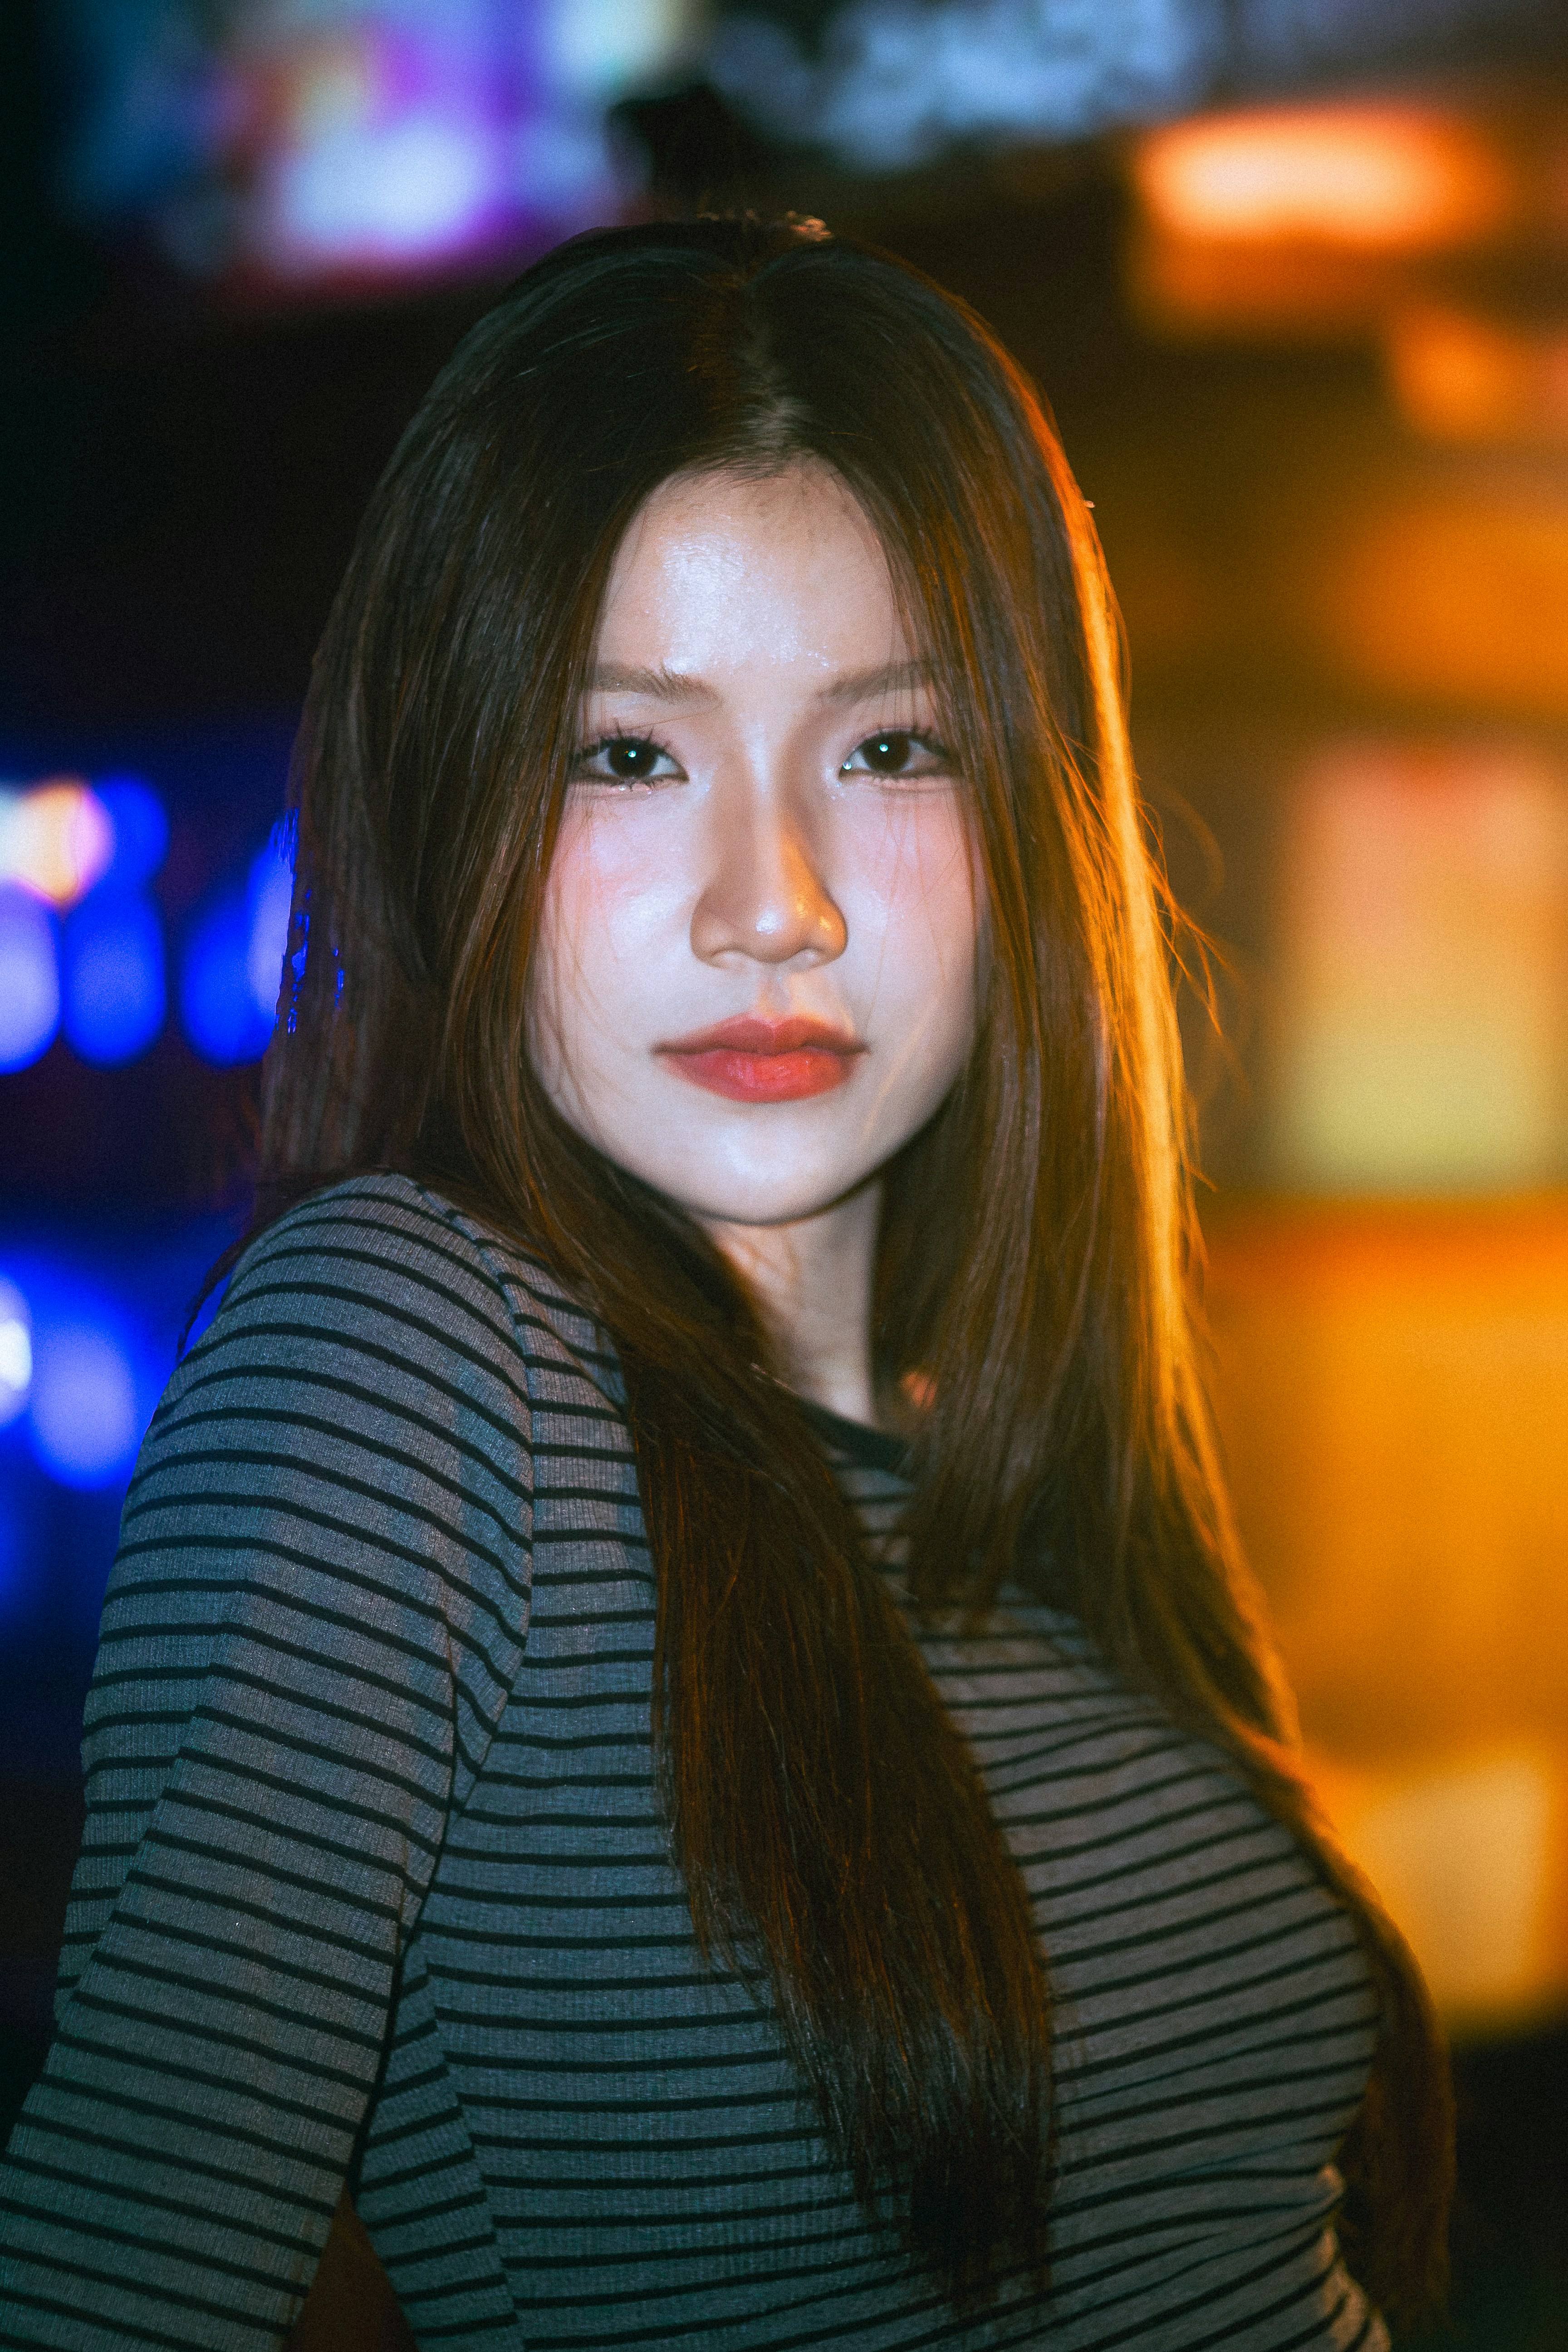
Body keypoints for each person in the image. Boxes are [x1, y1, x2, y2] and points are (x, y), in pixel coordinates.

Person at [0, 215, 1450, 2352]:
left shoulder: (1036, 1483)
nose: (770, 905)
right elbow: (123, 2283)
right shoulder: (417, 1360)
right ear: (458, 804)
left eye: (889, 749)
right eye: (627, 753)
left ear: (1029, 818)